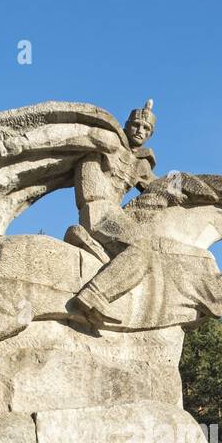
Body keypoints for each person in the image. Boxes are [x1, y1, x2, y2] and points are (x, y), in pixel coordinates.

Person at [67, 99, 158, 326]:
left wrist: (183, 187)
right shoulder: (106, 144)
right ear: (127, 125)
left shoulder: (142, 163)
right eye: (136, 125)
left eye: (146, 129)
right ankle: (94, 296)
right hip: (98, 210)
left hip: (114, 214)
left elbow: (159, 189)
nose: (140, 131)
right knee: (140, 248)